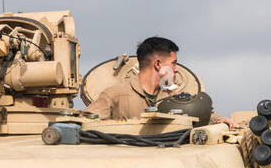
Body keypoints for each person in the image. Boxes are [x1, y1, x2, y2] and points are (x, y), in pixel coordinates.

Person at [83, 36, 238, 127]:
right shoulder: (116, 94)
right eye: (173, 63)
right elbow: (86, 123)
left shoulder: (173, 95)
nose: (177, 69)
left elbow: (201, 115)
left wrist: (221, 121)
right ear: (157, 64)